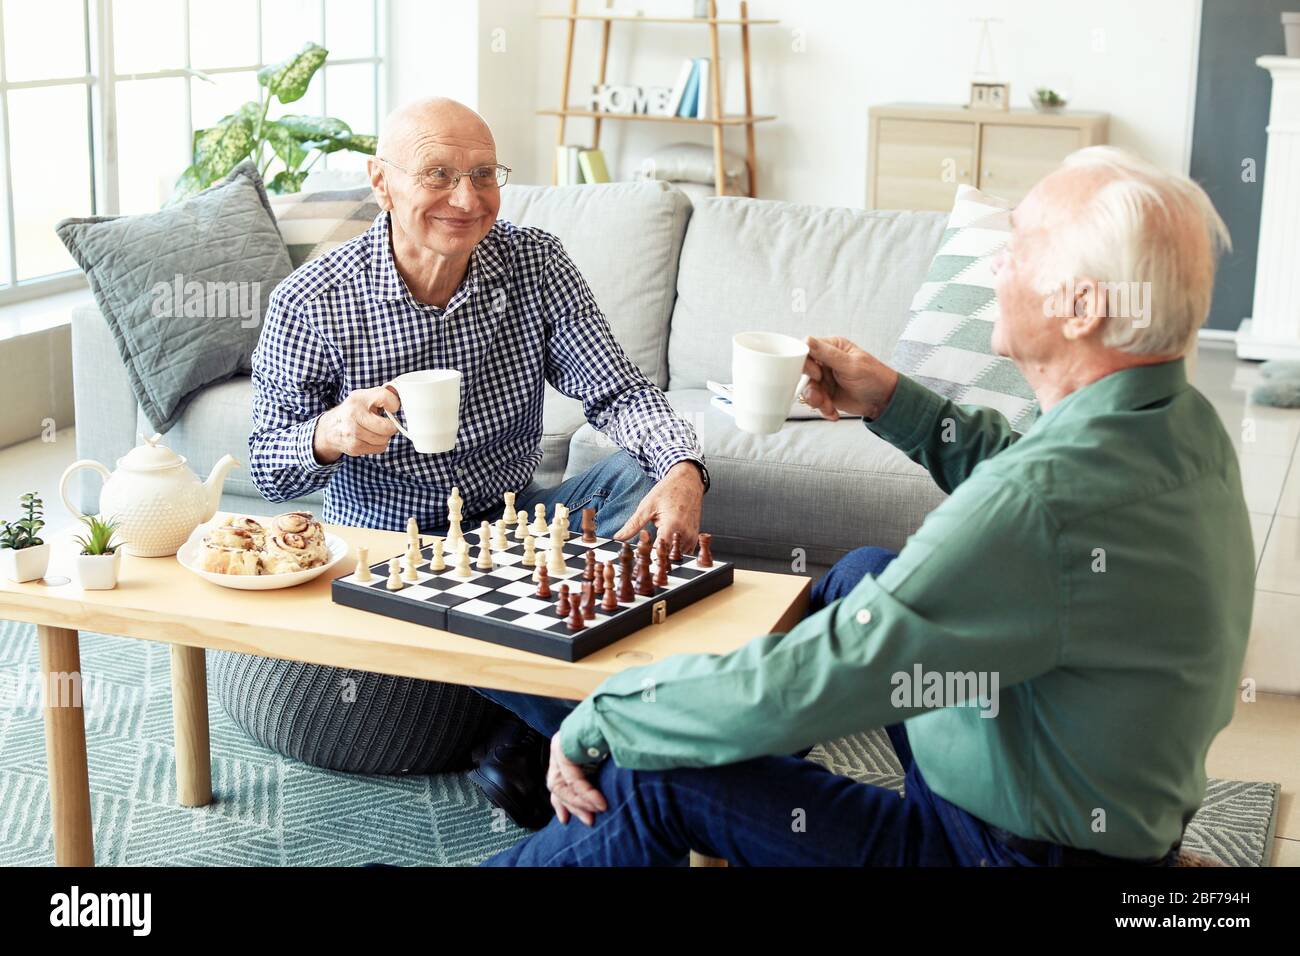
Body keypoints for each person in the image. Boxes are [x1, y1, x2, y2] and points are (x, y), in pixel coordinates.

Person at [472, 146, 1254, 865]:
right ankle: (743, 757)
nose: (997, 265)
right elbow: (1031, 487)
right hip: (1114, 812)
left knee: (662, 777)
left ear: (1082, 307)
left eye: (1019, 247)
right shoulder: (1179, 425)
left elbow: (827, 671)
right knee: (862, 574)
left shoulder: (1041, 505)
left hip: (1004, 852)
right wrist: (895, 402)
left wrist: (611, 713)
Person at [212, 98, 709, 807]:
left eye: (483, 174)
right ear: (381, 183)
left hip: (512, 522)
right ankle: (614, 738)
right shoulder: (313, 300)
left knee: (644, 471)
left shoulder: (535, 263)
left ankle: (537, 731)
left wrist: (685, 467)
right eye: (438, 174)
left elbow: (620, 392)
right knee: (478, 597)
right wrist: (331, 433)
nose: (467, 198)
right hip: (391, 550)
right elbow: (267, 462)